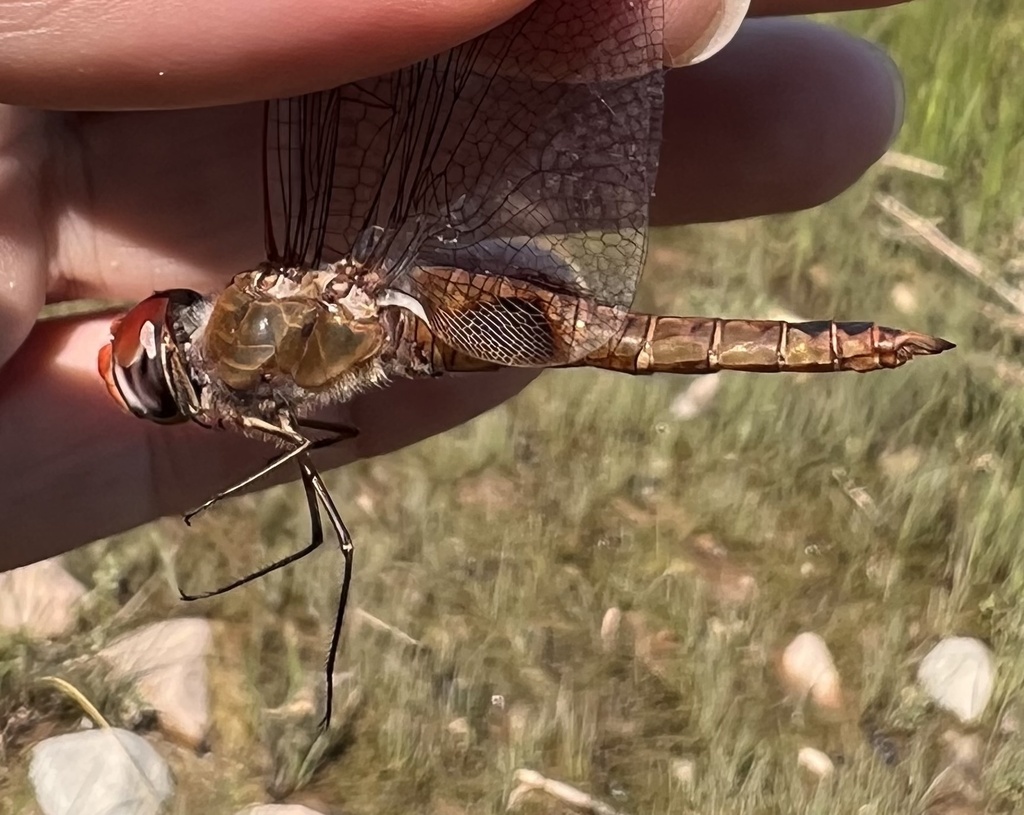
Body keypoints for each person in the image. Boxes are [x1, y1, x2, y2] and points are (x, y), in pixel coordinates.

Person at [0, 0, 912, 569]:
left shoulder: (271, 329)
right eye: (167, 372)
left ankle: (851, 344)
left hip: (438, 310)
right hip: (435, 312)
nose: (182, 352)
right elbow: (320, 426)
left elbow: (319, 427)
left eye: (170, 355)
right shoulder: (263, 351)